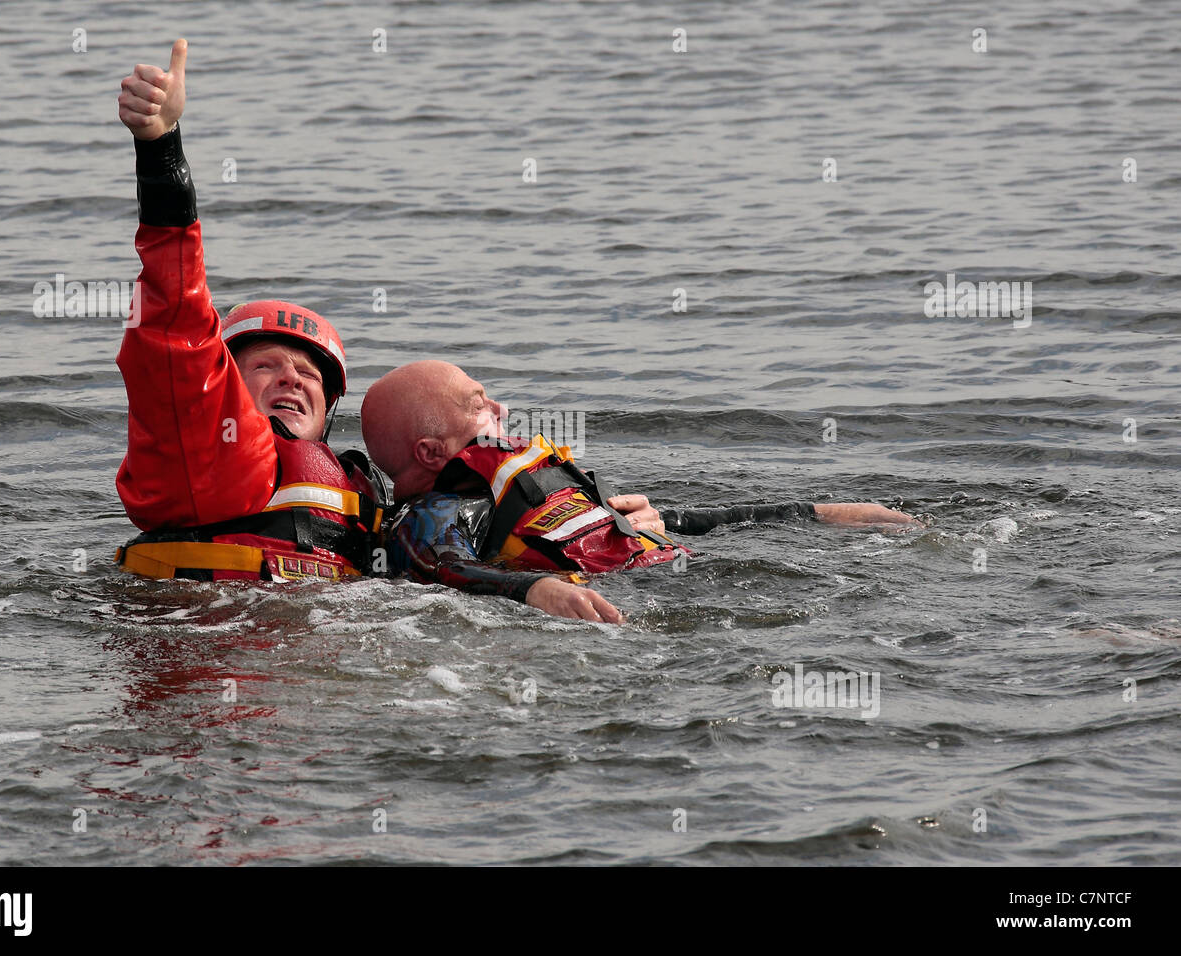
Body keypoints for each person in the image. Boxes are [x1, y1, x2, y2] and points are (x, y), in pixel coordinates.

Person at [113, 40, 383, 583]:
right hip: (215, 648)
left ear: (330, 408)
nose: (292, 377)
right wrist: (161, 149)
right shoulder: (215, 452)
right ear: (222, 384)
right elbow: (175, 320)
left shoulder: (360, 493)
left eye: (309, 374)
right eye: (266, 365)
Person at [361, 361, 920, 621]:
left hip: (677, 583)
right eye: (479, 403)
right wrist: (535, 589)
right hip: (651, 607)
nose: (501, 409)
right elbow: (441, 563)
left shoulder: (523, 490)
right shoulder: (438, 510)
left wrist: (816, 513)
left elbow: (660, 524)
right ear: (432, 453)